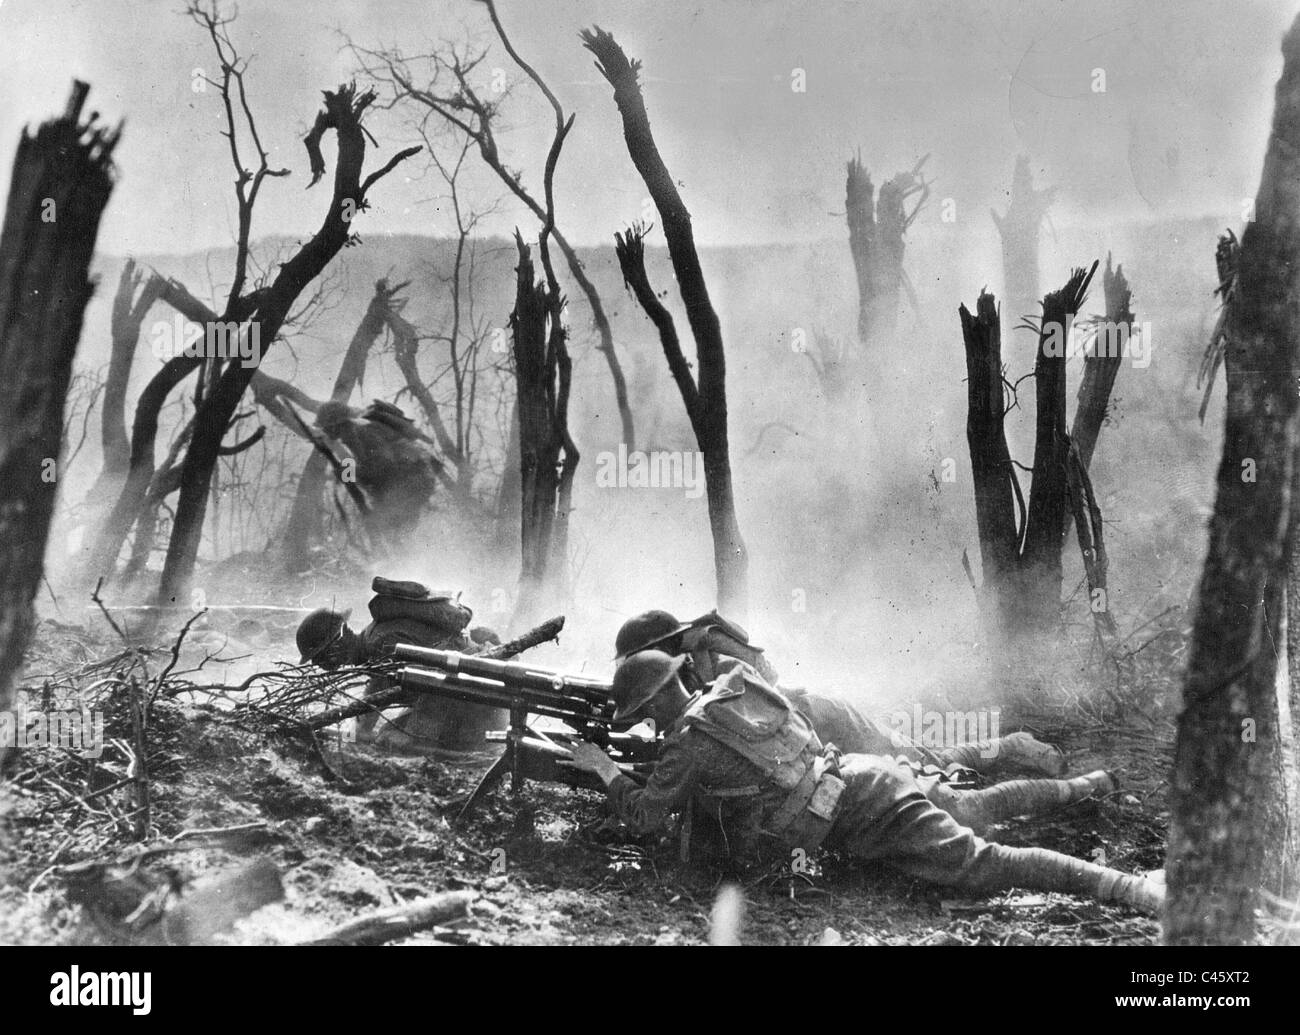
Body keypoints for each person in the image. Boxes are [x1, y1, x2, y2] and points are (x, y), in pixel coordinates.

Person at [566, 651, 1161, 914]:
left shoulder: (689, 743)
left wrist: (605, 769)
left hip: (861, 806)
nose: (646, 724)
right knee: (973, 810)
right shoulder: (732, 691)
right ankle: (1090, 785)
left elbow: (645, 817)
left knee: (980, 862)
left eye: (643, 713)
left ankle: (1133, 890)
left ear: (654, 703)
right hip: (855, 780)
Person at [612, 609, 1065, 777]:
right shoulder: (689, 668)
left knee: (928, 759)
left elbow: (763, 708)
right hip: (811, 736)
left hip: (823, 719)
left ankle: (1014, 745)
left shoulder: (712, 655)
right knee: (919, 767)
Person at [295, 578, 504, 752]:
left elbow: (433, 685)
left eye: (320, 657)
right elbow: (369, 709)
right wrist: (350, 735)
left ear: (336, 644)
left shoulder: (381, 645)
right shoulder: (374, 642)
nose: (322, 665)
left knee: (400, 744)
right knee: (388, 736)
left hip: (479, 698)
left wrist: (413, 738)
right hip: (464, 694)